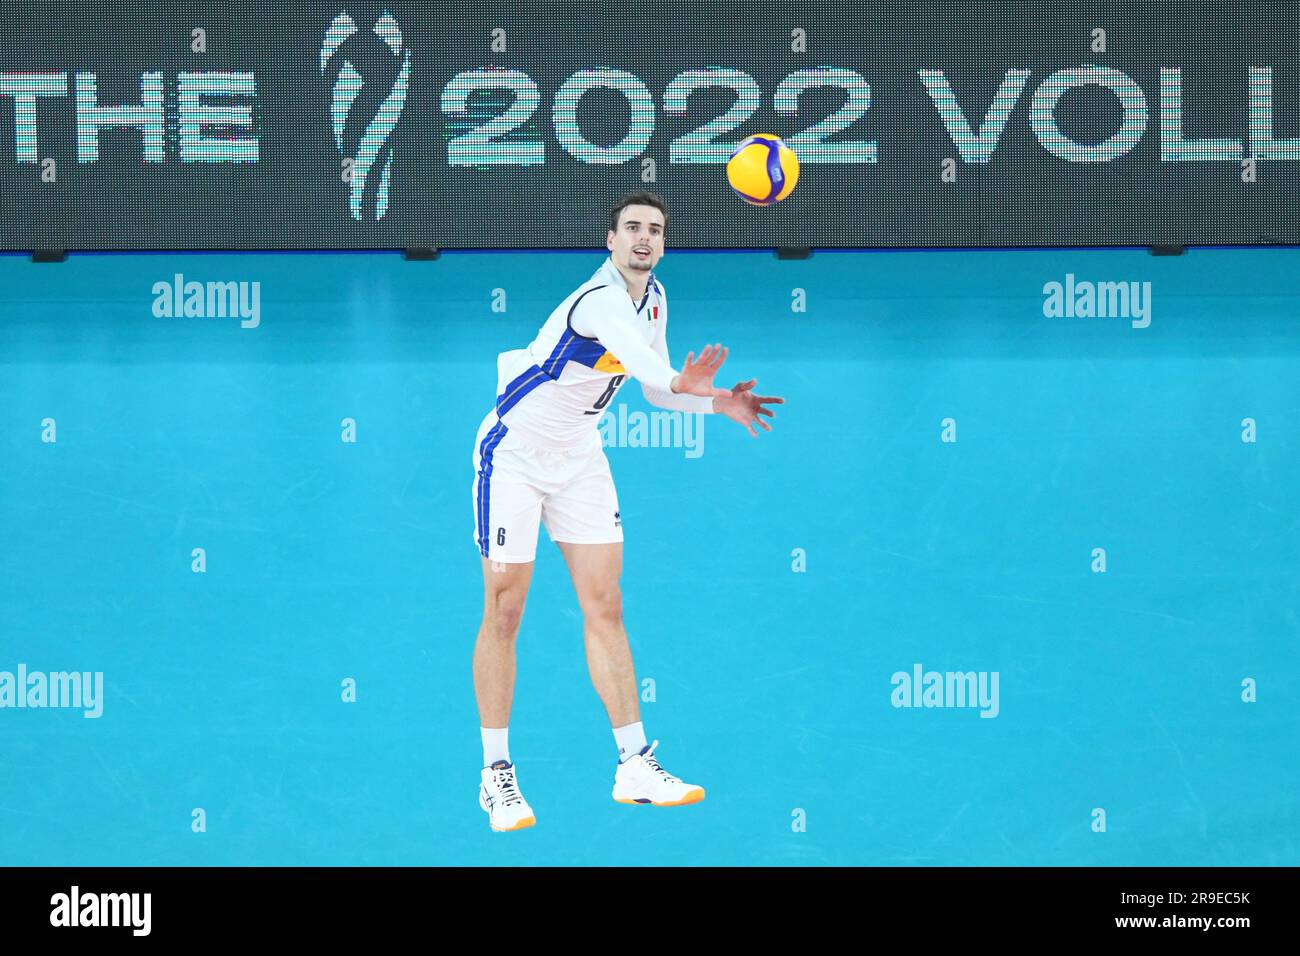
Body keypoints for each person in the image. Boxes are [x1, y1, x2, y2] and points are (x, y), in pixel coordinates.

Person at [470, 191, 784, 831]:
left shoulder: (656, 298)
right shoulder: (600, 301)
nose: (645, 238)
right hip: (515, 454)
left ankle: (634, 764)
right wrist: (680, 382)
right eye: (633, 228)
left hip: (579, 457)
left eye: (656, 231)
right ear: (610, 241)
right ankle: (496, 774)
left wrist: (720, 403)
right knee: (505, 609)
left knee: (606, 605)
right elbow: (651, 368)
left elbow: (652, 389)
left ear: (663, 245)